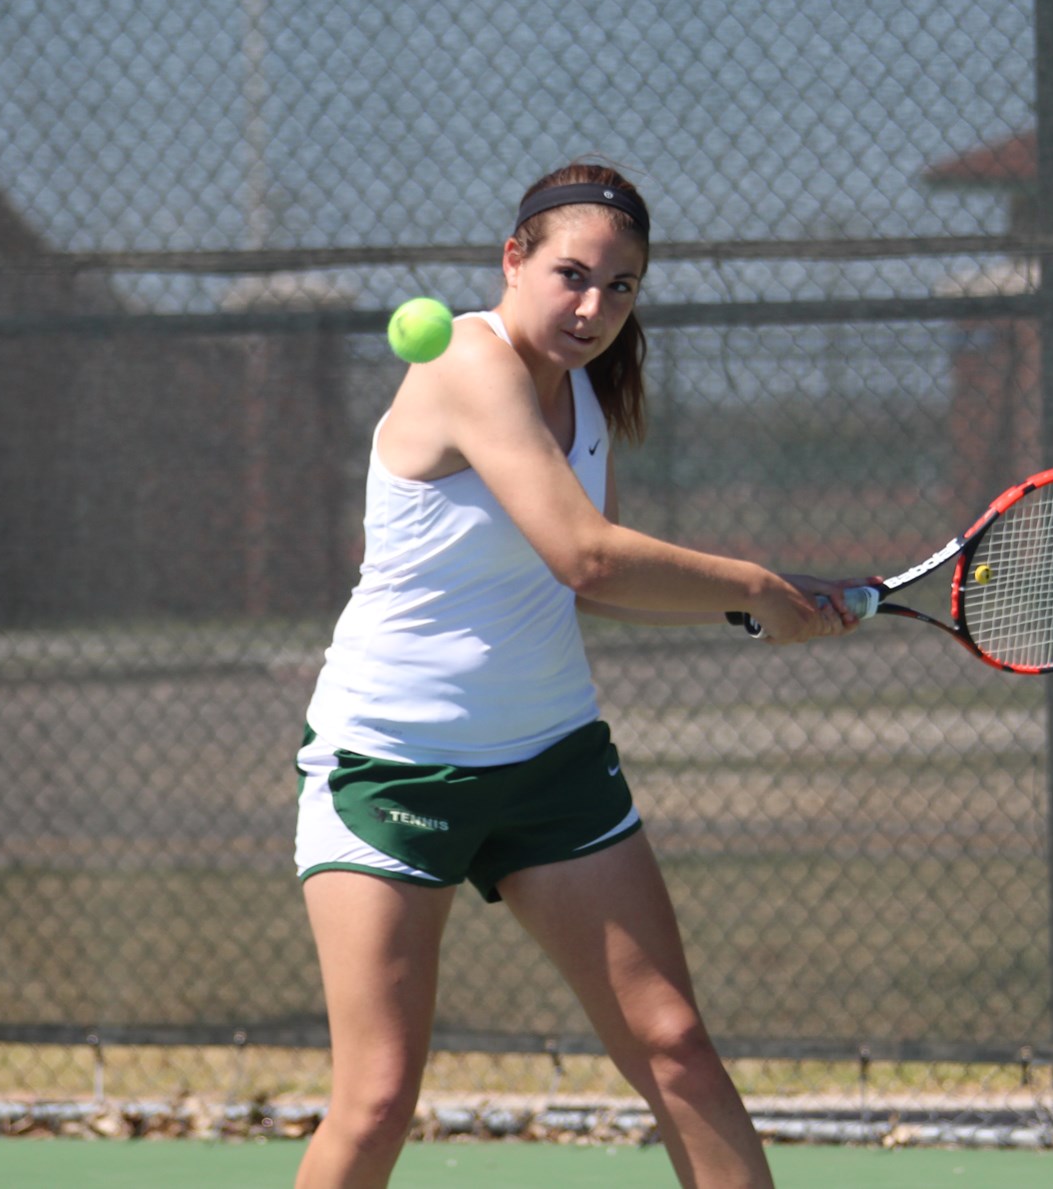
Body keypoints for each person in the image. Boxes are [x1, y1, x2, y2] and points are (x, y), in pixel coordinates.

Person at [293, 162, 859, 1189]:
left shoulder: (586, 392)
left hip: (550, 762)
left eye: (621, 286)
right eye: (570, 275)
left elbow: (576, 586)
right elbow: (585, 555)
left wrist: (757, 600)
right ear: (512, 258)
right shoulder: (466, 361)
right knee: (375, 1099)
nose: (593, 307)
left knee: (673, 1045)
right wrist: (754, 584)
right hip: (390, 767)